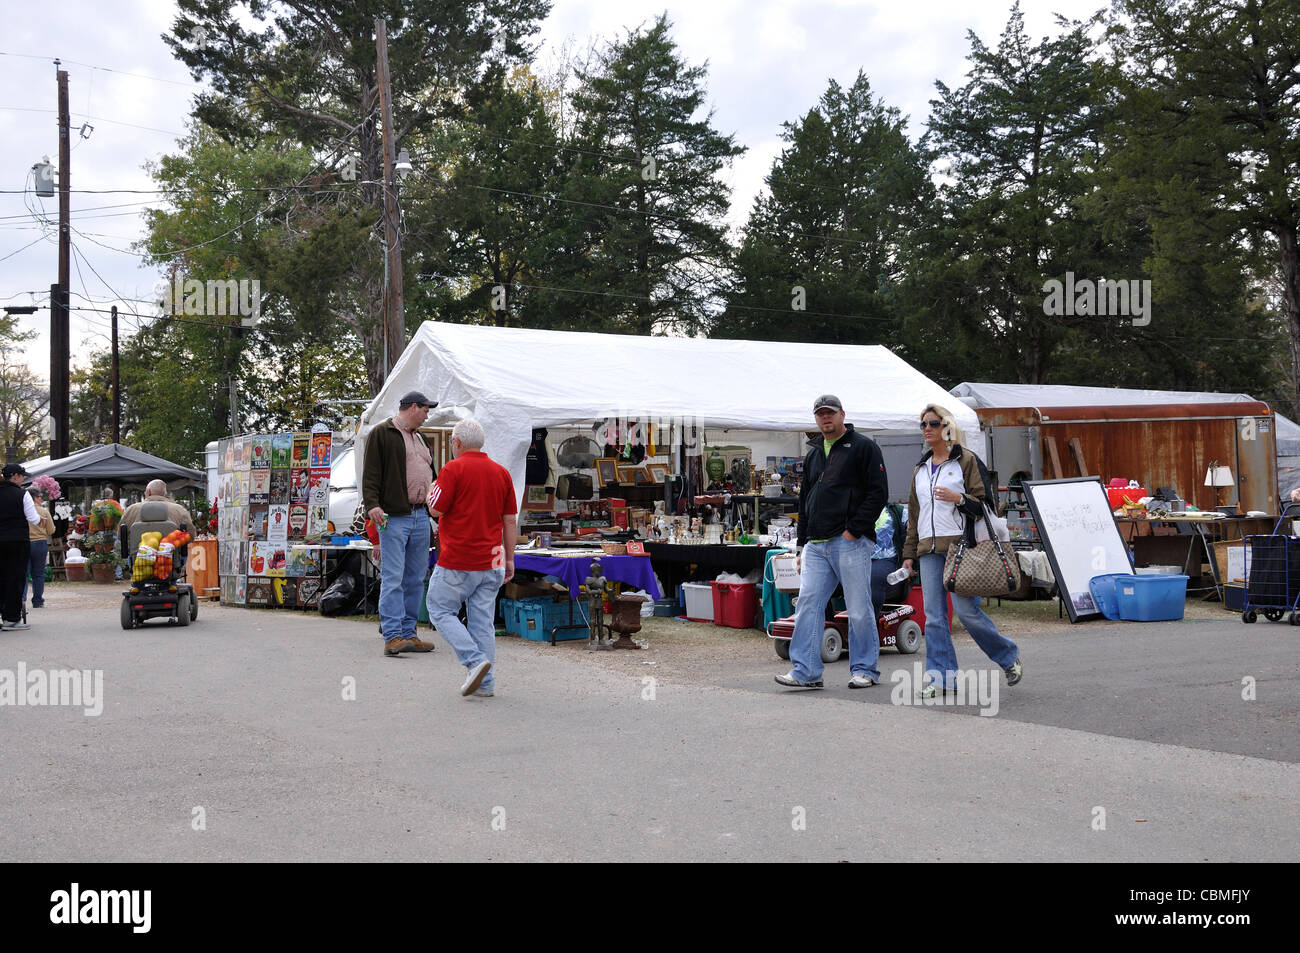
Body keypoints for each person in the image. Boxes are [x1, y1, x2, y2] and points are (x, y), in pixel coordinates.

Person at [900, 404, 1022, 698]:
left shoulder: (966, 461)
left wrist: (958, 498)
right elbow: (914, 516)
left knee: (967, 612)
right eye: (923, 425)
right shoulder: (920, 469)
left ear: (947, 426)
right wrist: (909, 554)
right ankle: (941, 678)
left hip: (961, 547)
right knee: (934, 617)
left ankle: (1007, 656)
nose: (926, 429)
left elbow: (985, 506)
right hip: (929, 550)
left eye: (932, 423)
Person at [776, 394, 888, 690]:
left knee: (859, 606)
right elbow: (805, 500)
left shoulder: (863, 447)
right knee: (808, 604)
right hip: (816, 543)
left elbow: (878, 493)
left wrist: (854, 530)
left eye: (830, 413)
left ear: (842, 415)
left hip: (849, 541)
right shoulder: (813, 454)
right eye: (820, 414)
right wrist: (802, 545)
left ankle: (865, 668)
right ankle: (806, 671)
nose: (825, 418)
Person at [425, 418, 517, 697]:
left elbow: (436, 510)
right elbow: (510, 520)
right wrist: (510, 558)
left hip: (458, 559)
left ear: (456, 443)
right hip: (492, 561)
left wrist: (431, 491)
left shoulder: (452, 469)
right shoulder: (501, 473)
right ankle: (486, 685)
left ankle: (474, 661)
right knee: (482, 622)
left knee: (439, 609)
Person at [363, 390, 438, 656]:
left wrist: (436, 508)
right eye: (426, 410)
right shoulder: (382, 433)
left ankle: (409, 633)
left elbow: (431, 474)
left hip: (420, 514)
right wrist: (372, 504)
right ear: (414, 407)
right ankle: (393, 635)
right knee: (394, 577)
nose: (427, 415)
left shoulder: (420, 438)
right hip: (394, 515)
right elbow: (370, 472)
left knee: (416, 577)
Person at [0, 464, 41, 630]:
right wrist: (41, 519)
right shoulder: (22, 495)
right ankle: (11, 618)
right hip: (16, 541)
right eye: (22, 476)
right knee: (15, 578)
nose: (23, 479)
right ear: (15, 476)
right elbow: (33, 519)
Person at [870, 501, 907, 610]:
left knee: (874, 578)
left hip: (885, 558)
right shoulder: (847, 508)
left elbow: (914, 532)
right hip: (852, 557)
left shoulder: (897, 511)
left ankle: (870, 624)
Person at [23, 487, 55, 609]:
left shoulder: (22, 510)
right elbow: (51, 530)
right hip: (40, 543)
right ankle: (37, 600)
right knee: (38, 573)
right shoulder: (43, 511)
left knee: (24, 573)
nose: (41, 498)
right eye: (40, 496)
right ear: (34, 498)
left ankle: (22, 599)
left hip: (25, 542)